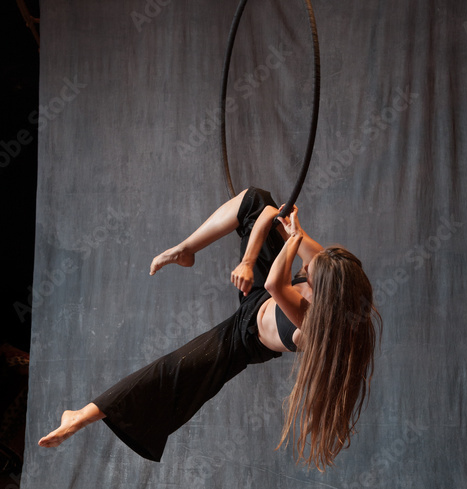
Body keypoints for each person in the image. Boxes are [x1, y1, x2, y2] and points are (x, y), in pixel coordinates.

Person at [39, 186, 380, 469]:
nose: (309, 265)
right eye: (312, 264)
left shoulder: (316, 324)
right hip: (259, 295)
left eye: (311, 272)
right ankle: (185, 249)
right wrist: (249, 261)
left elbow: (277, 284)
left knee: (173, 369)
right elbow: (267, 215)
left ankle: (80, 416)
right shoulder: (326, 266)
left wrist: (291, 240)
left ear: (329, 297)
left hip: (245, 337)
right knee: (257, 199)